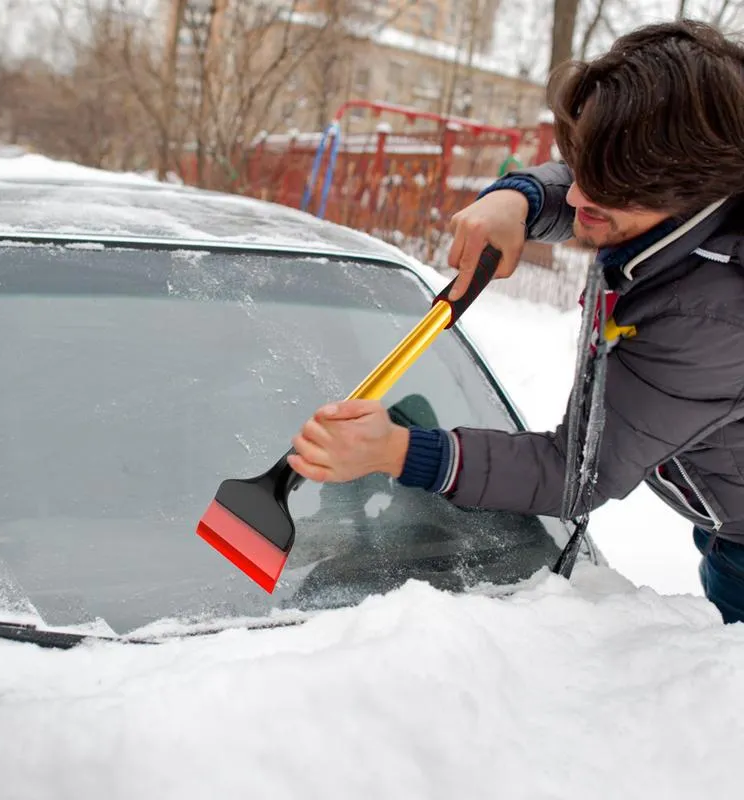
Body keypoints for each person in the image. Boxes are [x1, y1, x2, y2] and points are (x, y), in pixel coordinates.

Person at [287, 19, 744, 623]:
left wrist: (397, 451)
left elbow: (574, 473)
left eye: (607, 190)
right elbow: (583, 183)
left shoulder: (708, 315)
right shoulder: (688, 189)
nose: (576, 198)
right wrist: (520, 198)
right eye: (581, 167)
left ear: (693, 188)